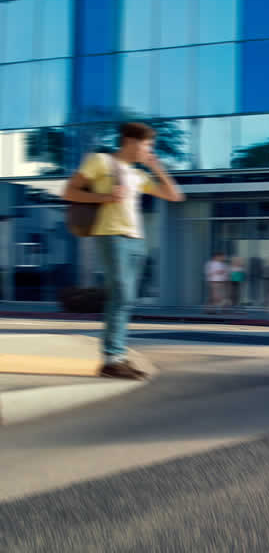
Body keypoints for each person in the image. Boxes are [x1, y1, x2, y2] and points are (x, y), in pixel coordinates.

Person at [63, 122, 184, 379]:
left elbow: (174, 195)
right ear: (130, 141)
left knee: (126, 299)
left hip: (136, 241)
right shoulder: (100, 162)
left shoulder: (138, 174)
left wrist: (157, 168)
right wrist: (105, 198)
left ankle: (116, 356)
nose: (149, 150)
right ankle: (111, 358)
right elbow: (69, 191)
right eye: (147, 145)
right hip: (112, 236)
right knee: (121, 294)